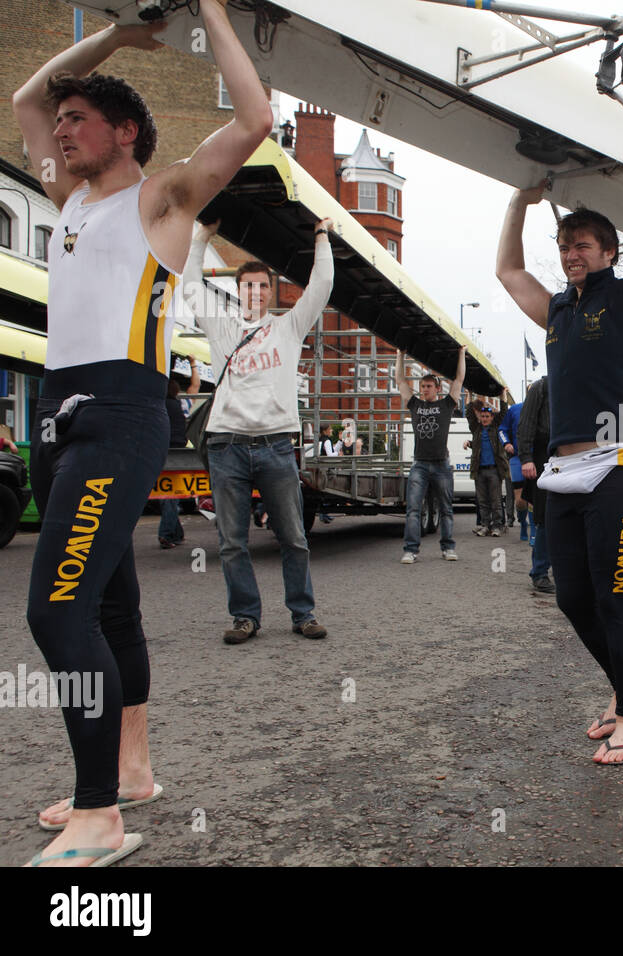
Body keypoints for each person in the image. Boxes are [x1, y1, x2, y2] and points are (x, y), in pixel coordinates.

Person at [17, 0, 273, 865]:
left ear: (125, 132)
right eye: (61, 123)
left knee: (56, 614)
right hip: (61, 419)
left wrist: (208, 11)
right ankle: (131, 772)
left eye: (78, 119)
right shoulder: (70, 200)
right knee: (111, 609)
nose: (58, 130)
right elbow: (25, 96)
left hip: (120, 420)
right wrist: (119, 37)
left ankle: (100, 817)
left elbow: (255, 119)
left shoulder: (160, 202)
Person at [495, 145, 623, 764]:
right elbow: (508, 271)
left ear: (608, 252)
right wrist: (519, 200)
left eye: (583, 244)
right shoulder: (557, 309)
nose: (571, 253)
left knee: (613, 596)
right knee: (572, 598)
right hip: (563, 474)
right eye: (565, 245)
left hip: (621, 467)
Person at [185, 211, 333, 644]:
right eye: (248, 285)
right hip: (226, 445)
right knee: (232, 541)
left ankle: (302, 614)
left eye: (263, 285)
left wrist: (321, 238)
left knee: (293, 537)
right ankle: (245, 617)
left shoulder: (288, 327)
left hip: (275, 446)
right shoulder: (221, 326)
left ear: (271, 292)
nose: (255, 291)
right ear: (238, 290)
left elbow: (321, 286)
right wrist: (203, 235)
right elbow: (191, 284)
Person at [396, 349, 464, 563]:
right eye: (422, 386)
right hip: (420, 465)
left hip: (442, 464)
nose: (423, 389)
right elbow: (399, 380)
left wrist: (461, 353)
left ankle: (448, 547)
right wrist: (400, 356)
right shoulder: (415, 405)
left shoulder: (446, 404)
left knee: (446, 509)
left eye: (427, 386)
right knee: (413, 509)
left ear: (437, 388)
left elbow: (459, 378)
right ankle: (411, 550)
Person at [517, 375, 554, 593]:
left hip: (573, 461)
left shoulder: (580, 384)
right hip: (544, 460)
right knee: (545, 519)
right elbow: (526, 425)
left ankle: (566, 573)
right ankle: (540, 573)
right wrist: (526, 458)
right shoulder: (541, 388)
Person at [465, 403, 508, 536]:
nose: (484, 419)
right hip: (479, 470)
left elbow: (503, 413)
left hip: (494, 470)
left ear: (491, 418)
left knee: (495, 500)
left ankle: (497, 526)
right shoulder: (476, 429)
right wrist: (470, 395)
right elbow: (469, 415)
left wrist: (503, 397)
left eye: (487, 416)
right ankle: (485, 525)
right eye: (482, 416)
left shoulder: (495, 428)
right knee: (482, 500)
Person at [157, 379, 189, 548]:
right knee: (172, 493)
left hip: (164, 449)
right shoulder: (176, 405)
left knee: (168, 495)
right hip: (179, 449)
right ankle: (176, 533)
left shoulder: (160, 405)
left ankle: (167, 534)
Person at [498, 398, 529, 540]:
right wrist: (506, 443)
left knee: (536, 498)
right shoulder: (514, 410)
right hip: (517, 458)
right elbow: (502, 430)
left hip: (537, 457)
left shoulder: (546, 409)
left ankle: (534, 530)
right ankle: (523, 523)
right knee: (520, 500)